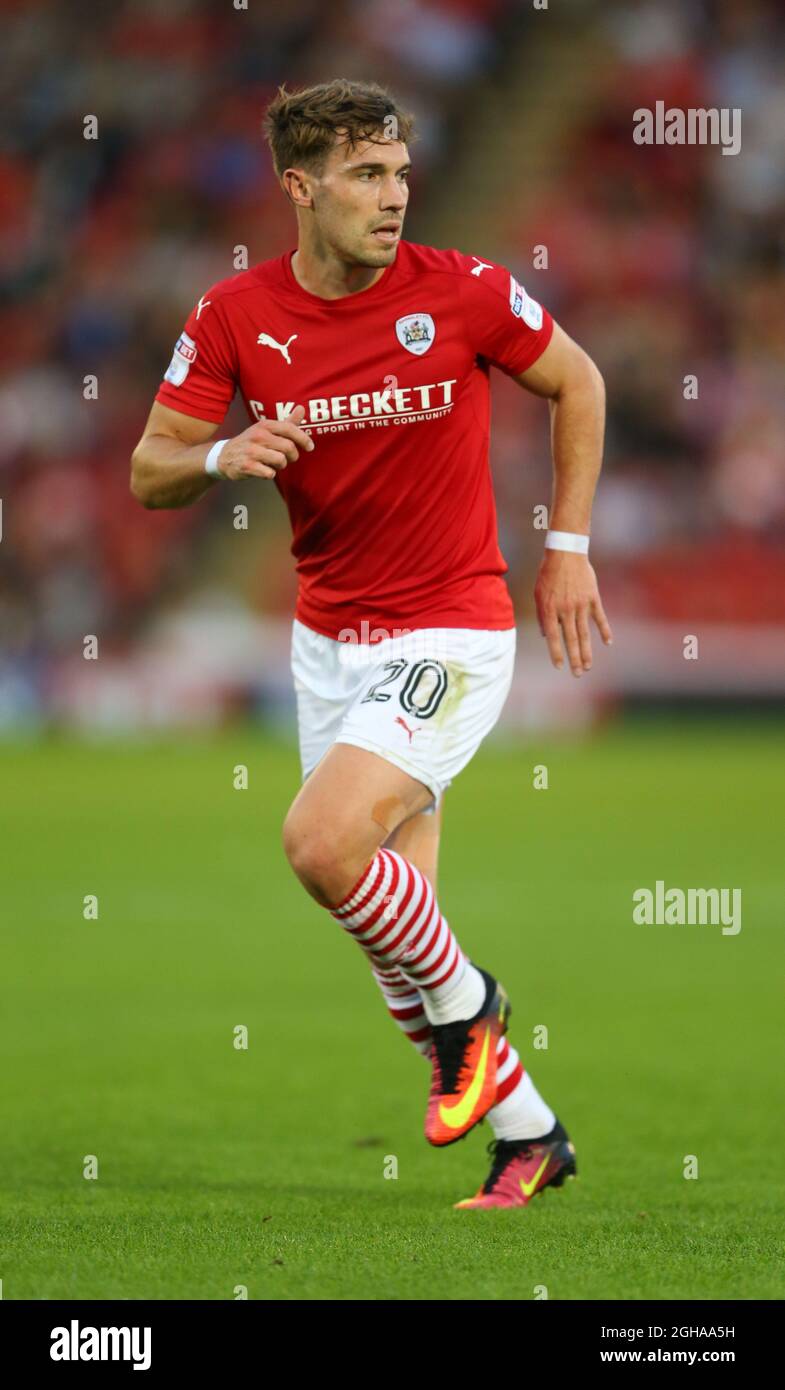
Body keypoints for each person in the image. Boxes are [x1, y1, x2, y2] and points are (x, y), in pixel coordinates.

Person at [131, 78, 612, 1209]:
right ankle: (532, 1135)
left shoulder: (460, 291)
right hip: (328, 644)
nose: (392, 197)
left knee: (317, 844)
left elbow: (576, 380)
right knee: (393, 932)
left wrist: (569, 544)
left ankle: (475, 1010)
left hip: (451, 624)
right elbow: (151, 464)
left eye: (398, 172)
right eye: (364, 176)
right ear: (300, 188)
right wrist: (220, 457)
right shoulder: (233, 317)